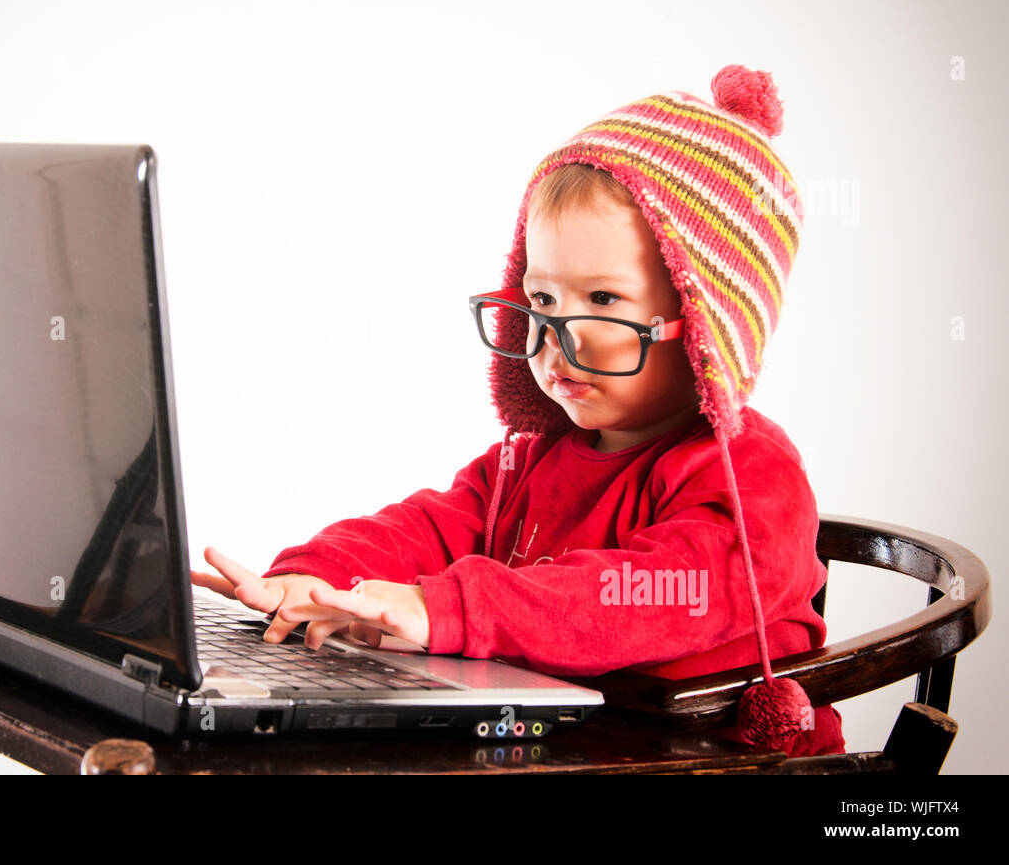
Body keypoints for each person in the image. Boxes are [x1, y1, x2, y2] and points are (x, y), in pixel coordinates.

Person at [192, 64, 846, 756]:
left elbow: (637, 596)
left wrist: (448, 608)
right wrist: (320, 576)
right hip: (573, 745)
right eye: (541, 300)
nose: (556, 339)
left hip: (712, 759)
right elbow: (431, 526)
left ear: (708, 321)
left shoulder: (750, 478)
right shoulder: (530, 462)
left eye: (601, 301)